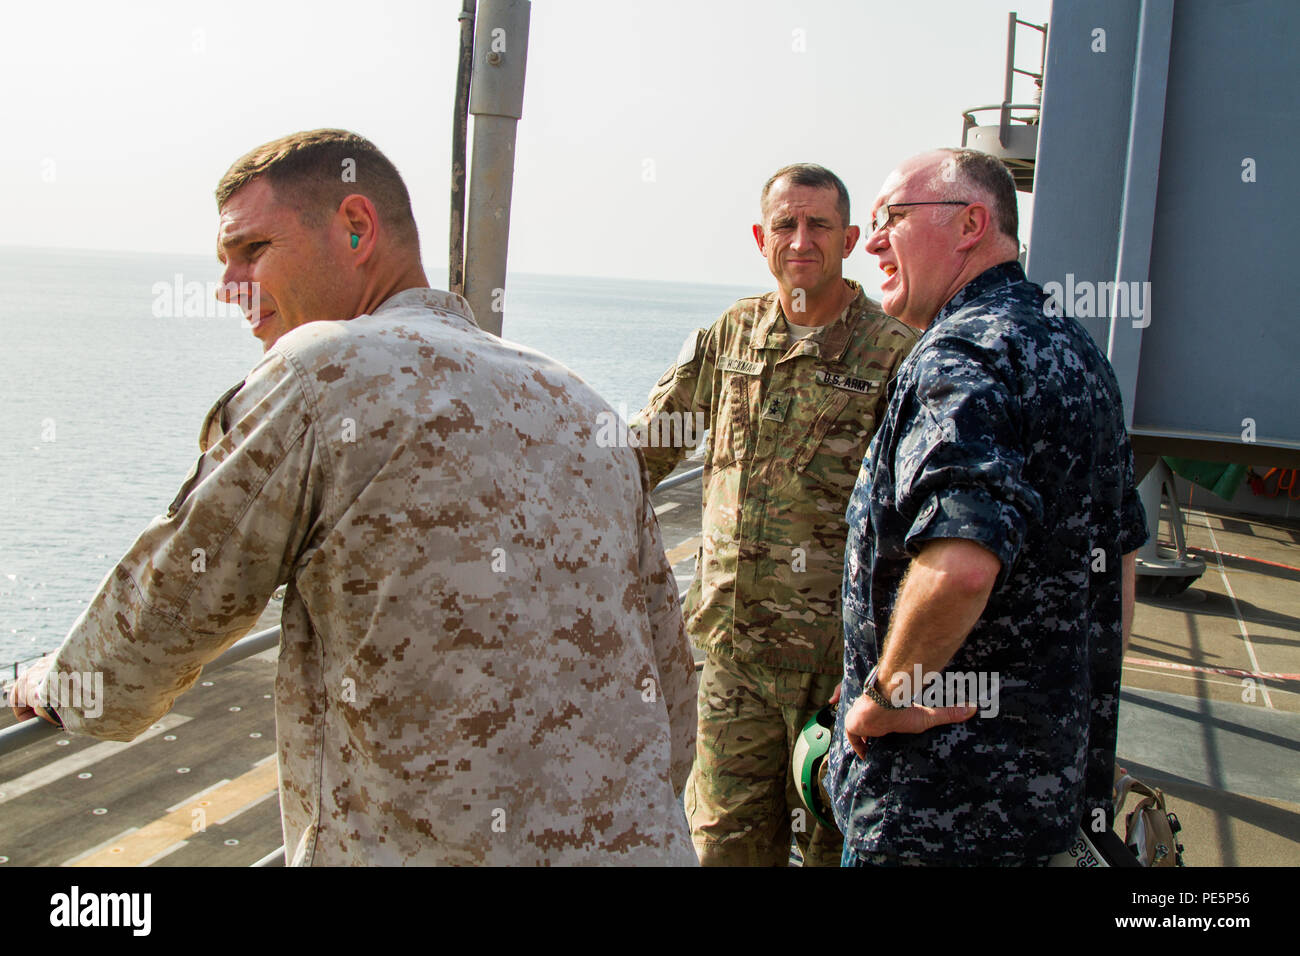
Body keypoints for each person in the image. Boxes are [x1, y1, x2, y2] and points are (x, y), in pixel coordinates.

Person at [8, 129, 698, 866]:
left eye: (251, 250)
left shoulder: (320, 371)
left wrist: (54, 685)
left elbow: (160, 621)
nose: (226, 286)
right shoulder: (575, 397)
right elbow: (672, 684)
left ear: (357, 228)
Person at [828, 148, 1148, 866]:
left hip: (935, 809)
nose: (872, 240)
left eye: (890, 219)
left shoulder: (960, 356)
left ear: (972, 222)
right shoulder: (1075, 350)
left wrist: (885, 693)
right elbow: (1119, 566)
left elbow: (962, 566)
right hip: (1045, 798)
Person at [632, 164, 918, 866]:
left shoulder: (894, 357)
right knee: (723, 845)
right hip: (735, 660)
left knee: (834, 842)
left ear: (850, 239)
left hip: (840, 665)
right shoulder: (733, 335)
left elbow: (920, 521)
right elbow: (647, 450)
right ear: (762, 237)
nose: (801, 240)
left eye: (819, 225)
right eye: (786, 224)